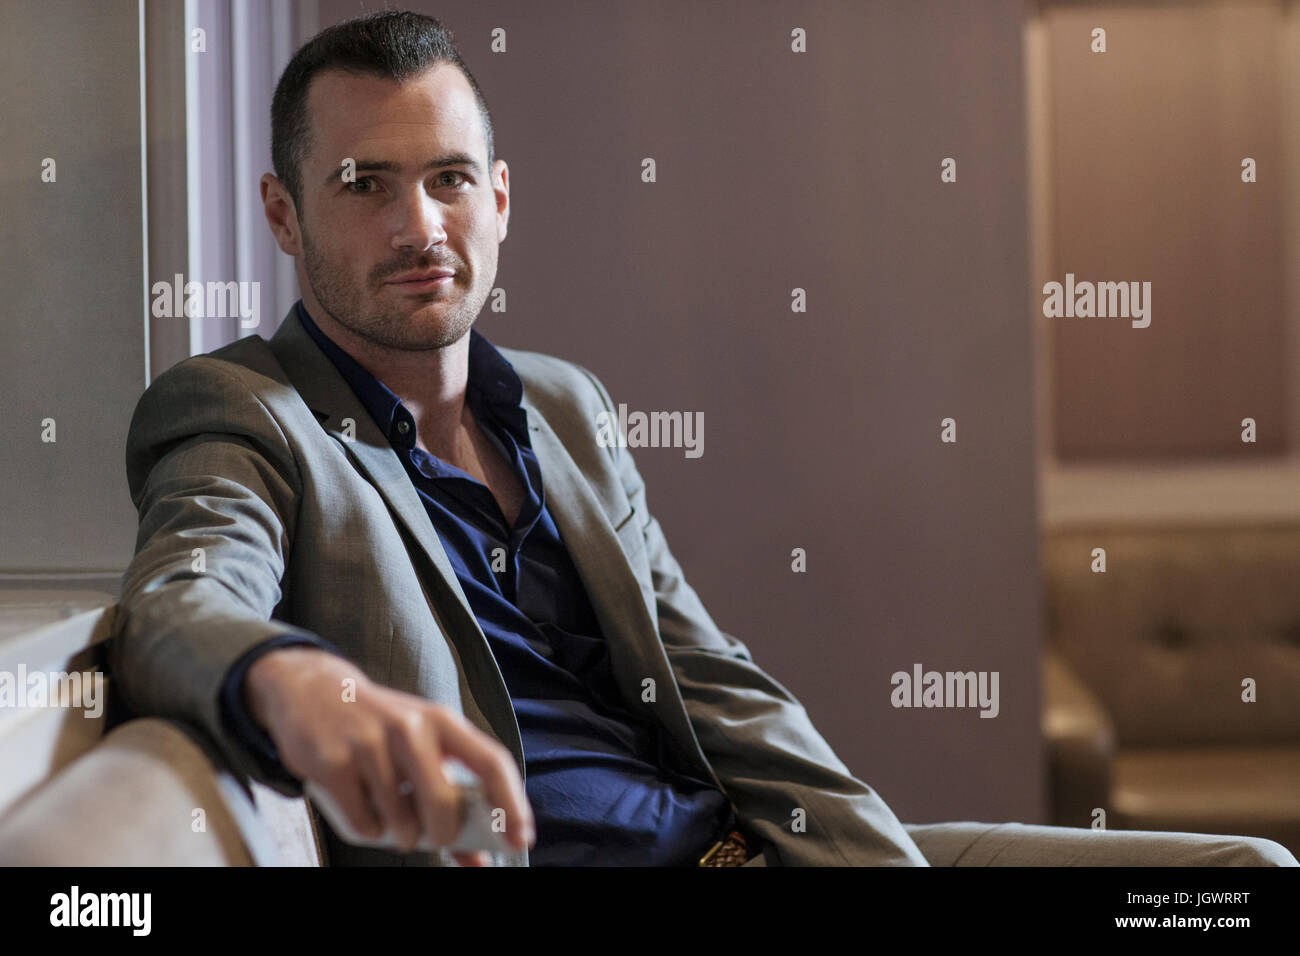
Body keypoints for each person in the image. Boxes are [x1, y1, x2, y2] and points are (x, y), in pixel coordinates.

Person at [110, 11, 1296, 868]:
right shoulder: (241, 412)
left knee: (1232, 882)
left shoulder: (563, 406)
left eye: (450, 179)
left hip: (754, 845)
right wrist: (290, 675)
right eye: (365, 183)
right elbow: (179, 601)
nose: (421, 225)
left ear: (501, 199)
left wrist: (872, 856)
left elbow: (714, 678)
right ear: (283, 210)